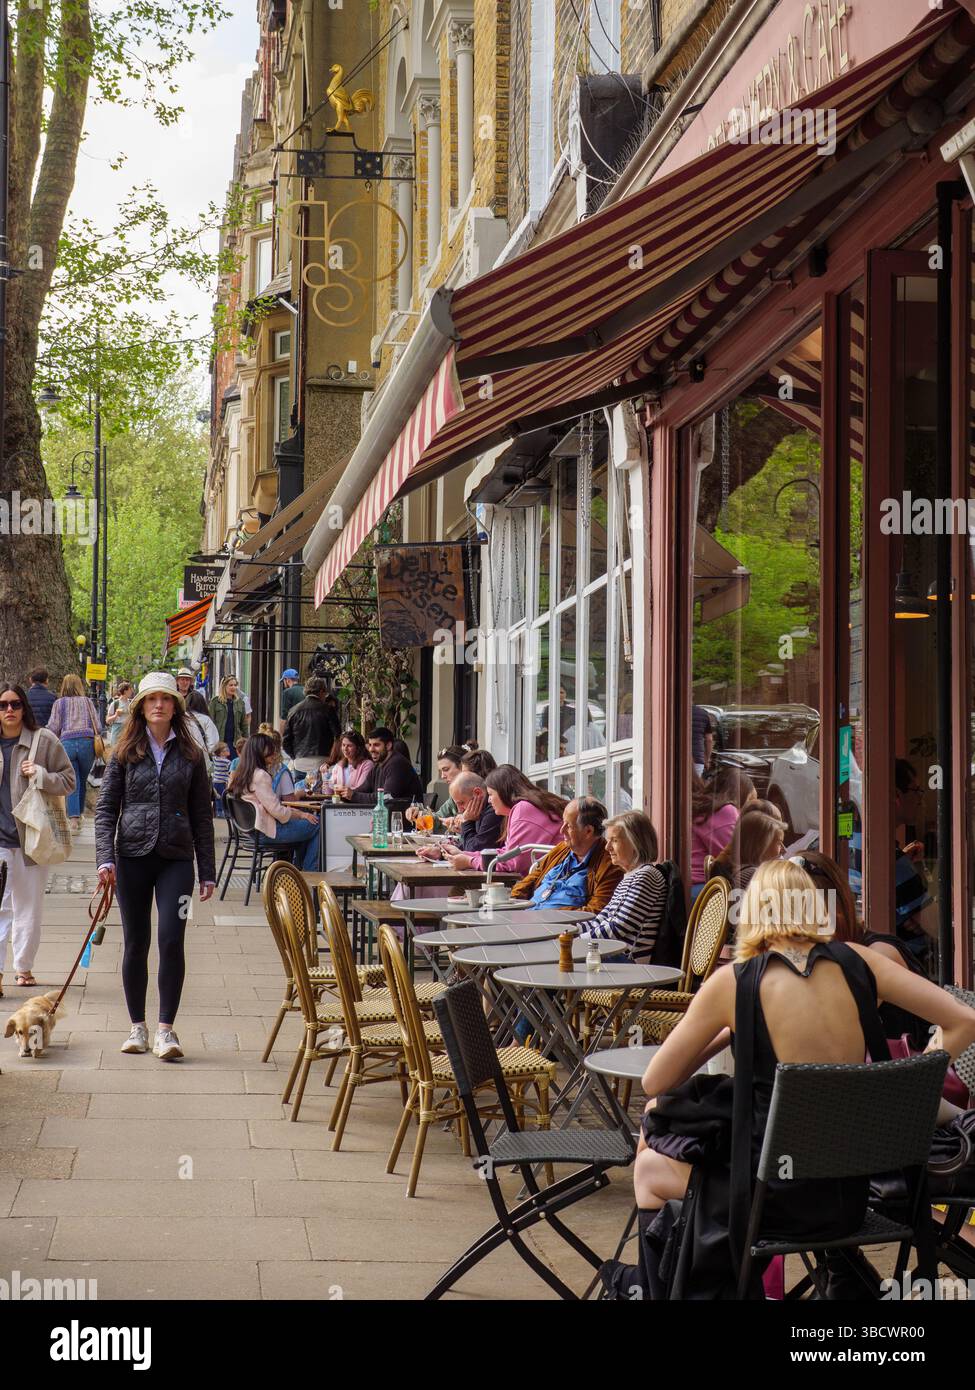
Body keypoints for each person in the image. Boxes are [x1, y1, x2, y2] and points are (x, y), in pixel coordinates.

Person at [624, 858, 975, 1299]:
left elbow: (656, 1080)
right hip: (850, 1197)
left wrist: (723, 1031)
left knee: (649, 1170)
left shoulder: (734, 983)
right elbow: (965, 1021)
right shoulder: (864, 963)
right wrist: (908, 1085)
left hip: (770, 1200)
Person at [95, 672, 216, 1062]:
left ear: (174, 706)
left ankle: (166, 1030)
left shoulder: (191, 754)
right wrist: (105, 860)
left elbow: (202, 814)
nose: (159, 705)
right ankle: (137, 1027)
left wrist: (208, 870)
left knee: (170, 939)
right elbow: (105, 810)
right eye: (151, 700)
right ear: (141, 708)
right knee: (136, 942)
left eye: (165, 699)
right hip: (131, 858)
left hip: (177, 860)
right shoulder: (124, 752)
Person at [0, 682, 76, 990]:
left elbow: (69, 780)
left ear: (24, 708)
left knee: (29, 908)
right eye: (3, 705)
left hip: (33, 839)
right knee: (2, 908)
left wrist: (41, 776)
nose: (9, 710)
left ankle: (24, 968)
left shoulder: (43, 741)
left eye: (15, 704)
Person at [442, 765, 565, 876]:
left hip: (555, 881)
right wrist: (465, 854)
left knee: (462, 891)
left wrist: (470, 861)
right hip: (553, 877)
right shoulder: (521, 808)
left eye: (490, 794)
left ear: (504, 793)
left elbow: (513, 863)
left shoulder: (524, 809)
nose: (489, 800)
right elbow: (508, 853)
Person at [578, 811, 667, 962]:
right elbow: (601, 920)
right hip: (612, 954)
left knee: (554, 960)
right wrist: (568, 933)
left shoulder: (646, 876)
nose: (607, 847)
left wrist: (574, 942)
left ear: (635, 843)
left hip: (627, 963)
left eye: (614, 841)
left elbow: (619, 928)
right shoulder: (631, 876)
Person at [510, 797, 623, 912]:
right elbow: (531, 879)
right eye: (563, 823)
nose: (561, 830)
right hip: (525, 918)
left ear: (588, 831)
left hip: (557, 926)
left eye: (568, 826)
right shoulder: (562, 849)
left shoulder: (609, 866)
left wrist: (551, 915)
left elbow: (595, 910)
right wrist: (513, 903)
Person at [228, 733, 319, 872]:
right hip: (265, 832)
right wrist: (301, 815)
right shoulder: (260, 775)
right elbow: (277, 811)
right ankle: (309, 874)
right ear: (260, 751)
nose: (274, 753)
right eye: (270, 750)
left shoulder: (242, 774)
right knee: (317, 825)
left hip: (249, 831)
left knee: (305, 830)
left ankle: (298, 875)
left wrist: (299, 814)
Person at [47, 674, 102, 832]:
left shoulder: (59, 703)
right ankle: (78, 814)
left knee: (72, 781)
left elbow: (53, 727)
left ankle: (74, 819)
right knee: (81, 780)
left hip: (67, 744)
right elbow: (98, 726)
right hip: (87, 744)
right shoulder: (88, 702)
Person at [690, 768, 756, 899]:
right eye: (750, 802)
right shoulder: (726, 811)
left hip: (696, 887)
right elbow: (737, 859)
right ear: (741, 797)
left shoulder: (709, 808)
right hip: (703, 888)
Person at [342, 726, 424, 807]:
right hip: (386, 816)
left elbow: (386, 798)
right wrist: (344, 795)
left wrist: (353, 795)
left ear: (388, 746)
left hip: (404, 818)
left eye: (376, 745)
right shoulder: (378, 765)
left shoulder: (397, 764)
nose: (371, 749)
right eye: (370, 745)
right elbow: (363, 790)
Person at [711, 807, 785, 894]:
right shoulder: (752, 876)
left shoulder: (746, 871)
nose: (783, 849)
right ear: (762, 845)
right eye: (779, 843)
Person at [282, 675, 340, 779]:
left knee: (300, 792)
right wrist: (332, 759)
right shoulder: (328, 710)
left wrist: (294, 756)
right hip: (323, 760)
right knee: (322, 793)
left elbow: (286, 740)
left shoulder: (294, 710)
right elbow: (337, 736)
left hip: (300, 761)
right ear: (322, 691)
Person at [409, 745, 465, 830]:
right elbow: (438, 819)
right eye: (441, 771)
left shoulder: (478, 793)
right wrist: (418, 815)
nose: (442, 776)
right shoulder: (454, 794)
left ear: (462, 766)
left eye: (446, 769)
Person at [209, 675, 249, 754]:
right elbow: (210, 722)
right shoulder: (215, 702)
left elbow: (244, 725)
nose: (233, 687)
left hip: (235, 743)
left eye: (235, 685)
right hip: (219, 743)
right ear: (224, 686)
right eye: (230, 685)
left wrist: (246, 742)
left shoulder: (240, 703)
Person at [105, 682, 134, 748]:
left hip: (128, 728)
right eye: (130, 689)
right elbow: (107, 720)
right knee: (115, 750)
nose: (132, 691)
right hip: (117, 728)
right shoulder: (115, 703)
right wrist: (116, 715)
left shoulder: (131, 703)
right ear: (125, 691)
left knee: (126, 749)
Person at [691, 704, 715, 778]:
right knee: (694, 786)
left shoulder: (672, 711)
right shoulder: (703, 714)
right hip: (697, 759)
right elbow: (709, 740)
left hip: (675, 757)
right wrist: (706, 760)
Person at [279, 668, 304, 734]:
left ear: (287, 680)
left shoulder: (287, 692)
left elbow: (284, 716)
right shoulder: (305, 690)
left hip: (294, 729)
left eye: (283, 680)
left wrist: (281, 735)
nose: (284, 683)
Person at [211, 743, 231, 816]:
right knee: (223, 797)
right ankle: (222, 813)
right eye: (226, 749)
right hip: (222, 782)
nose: (228, 749)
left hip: (215, 781)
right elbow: (230, 771)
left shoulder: (215, 759)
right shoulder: (227, 762)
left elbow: (212, 754)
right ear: (221, 753)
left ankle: (217, 812)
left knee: (218, 797)